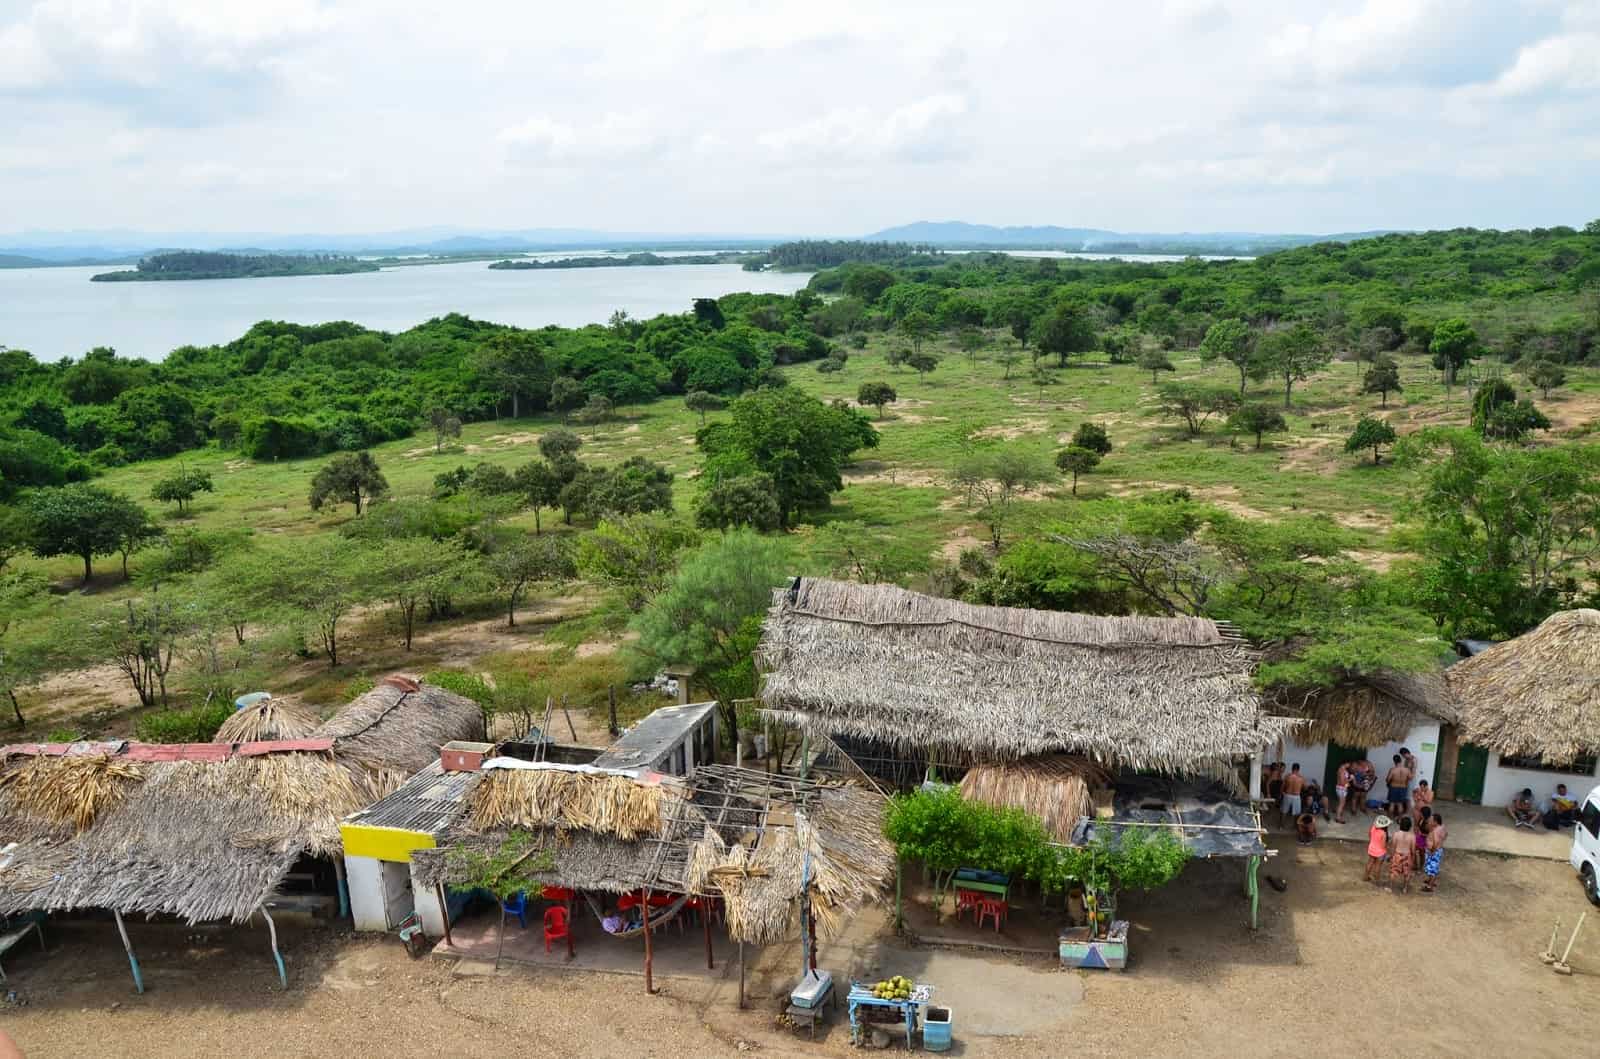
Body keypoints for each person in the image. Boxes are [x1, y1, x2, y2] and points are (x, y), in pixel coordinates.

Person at [1387, 816, 1415, 893]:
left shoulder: (1396, 834)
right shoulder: (1412, 836)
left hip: (1397, 855)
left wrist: (1391, 856)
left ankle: (1390, 887)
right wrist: (1413, 859)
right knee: (1407, 873)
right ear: (1410, 826)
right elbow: (1413, 850)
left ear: (1400, 825)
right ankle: (1405, 888)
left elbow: (1393, 847)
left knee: (1393, 872)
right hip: (1407, 856)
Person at [1421, 812, 1447, 893]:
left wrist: (1432, 851)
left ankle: (1429, 886)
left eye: (1431, 820)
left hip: (1434, 851)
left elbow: (1435, 842)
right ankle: (1430, 881)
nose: (1429, 821)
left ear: (1435, 822)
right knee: (1432, 867)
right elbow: (1446, 834)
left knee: (1433, 869)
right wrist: (1441, 842)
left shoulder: (1435, 831)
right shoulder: (1442, 827)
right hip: (1438, 850)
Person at [1364, 814, 1391, 883]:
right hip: (1380, 852)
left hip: (1371, 848)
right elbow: (1383, 845)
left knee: (1370, 863)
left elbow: (1369, 835)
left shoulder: (1373, 828)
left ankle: (1366, 877)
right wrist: (1387, 849)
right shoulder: (1383, 833)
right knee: (1378, 866)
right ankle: (1376, 879)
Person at [1413, 807, 1433, 871]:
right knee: (1413, 850)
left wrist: (1422, 834)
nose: (1419, 814)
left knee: (1422, 854)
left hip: (1424, 839)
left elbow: (1431, 834)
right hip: (1419, 837)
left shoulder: (1429, 823)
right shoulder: (1421, 819)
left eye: (1421, 813)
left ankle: (1421, 866)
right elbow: (1418, 826)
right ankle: (1415, 865)